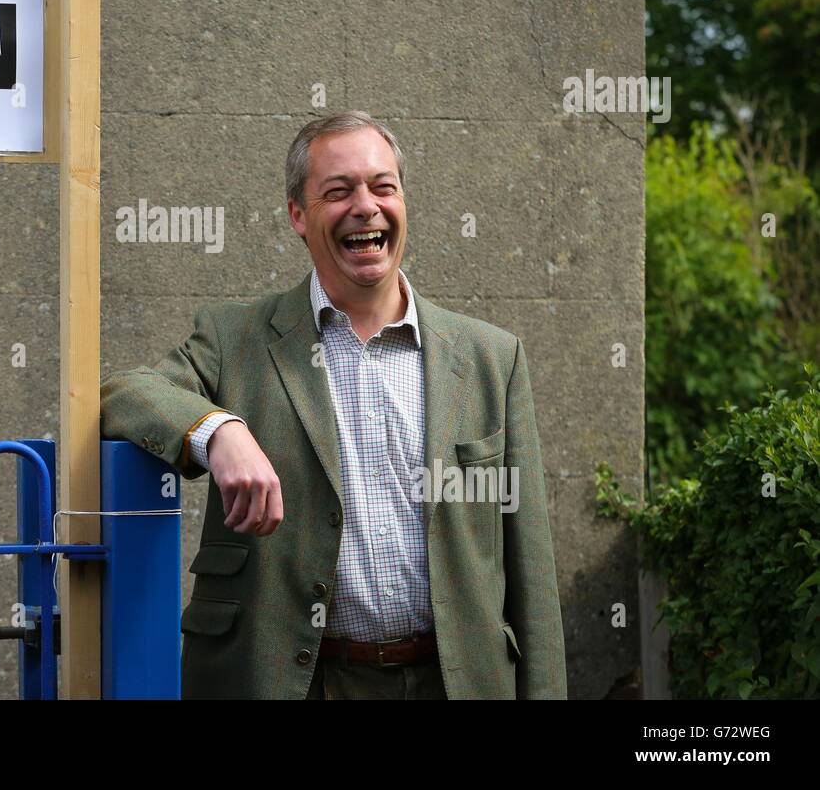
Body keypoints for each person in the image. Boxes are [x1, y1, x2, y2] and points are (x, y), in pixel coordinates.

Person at [100, 111, 568, 699]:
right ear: (299, 215)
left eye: (383, 186)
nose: (365, 206)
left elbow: (531, 574)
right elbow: (123, 392)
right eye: (338, 191)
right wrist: (218, 431)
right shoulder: (234, 337)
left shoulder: (491, 358)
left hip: (453, 683)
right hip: (294, 683)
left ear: (403, 202)